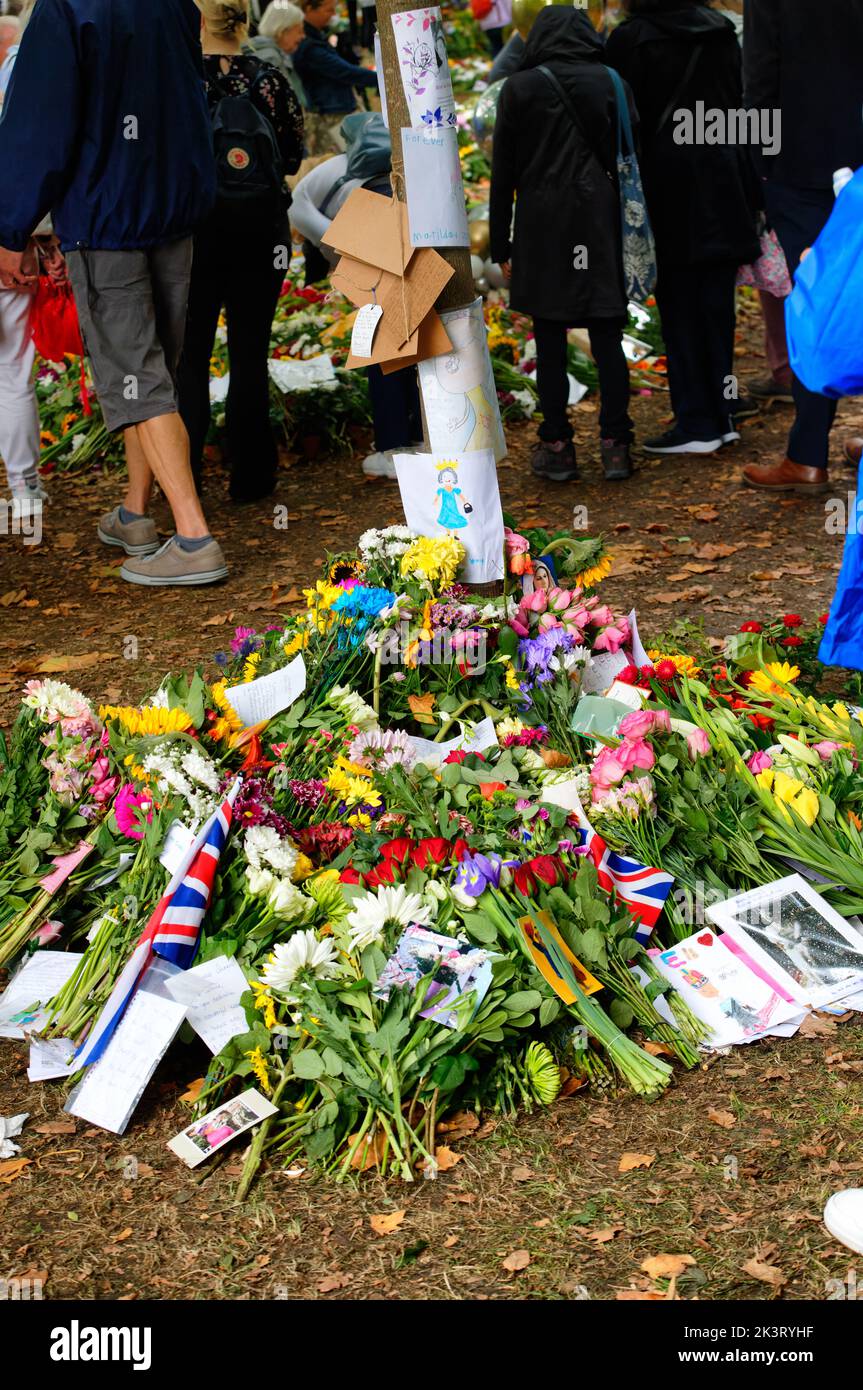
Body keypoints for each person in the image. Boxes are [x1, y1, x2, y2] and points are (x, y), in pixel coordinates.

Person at [0, 0, 228, 587]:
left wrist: (11, 227)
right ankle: (134, 513)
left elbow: (38, 125)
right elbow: (190, 102)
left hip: (106, 217)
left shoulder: (66, 9)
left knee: (140, 376)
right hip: (172, 209)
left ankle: (194, 537)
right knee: (156, 372)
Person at [489, 5, 637, 484]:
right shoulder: (612, 81)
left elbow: (503, 172)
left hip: (541, 224)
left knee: (549, 339)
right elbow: (634, 153)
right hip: (600, 222)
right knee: (607, 337)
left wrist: (500, 243)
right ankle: (616, 445)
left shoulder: (519, 87)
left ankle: (557, 445)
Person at [606, 0, 760, 456]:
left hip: (666, 181)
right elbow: (739, 101)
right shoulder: (718, 30)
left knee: (678, 306)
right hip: (722, 173)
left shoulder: (630, 40)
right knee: (717, 305)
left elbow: (623, 118)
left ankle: (696, 420)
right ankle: (724, 413)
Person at [177, 0, 303, 504]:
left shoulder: (181, 79)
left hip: (195, 234)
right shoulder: (269, 78)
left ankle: (185, 476)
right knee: (250, 354)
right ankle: (251, 473)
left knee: (191, 360)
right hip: (261, 233)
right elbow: (291, 152)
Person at [741, 0, 863, 495]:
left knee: (815, 298)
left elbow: (760, 84)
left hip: (801, 164)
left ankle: (807, 455)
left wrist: (758, 169)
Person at [289, 112, 422, 477]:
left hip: (365, 258)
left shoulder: (335, 166)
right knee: (412, 341)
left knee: (378, 348)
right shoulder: (403, 161)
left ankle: (393, 449)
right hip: (406, 246)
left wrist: (340, 242)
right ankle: (419, 436)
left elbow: (298, 208)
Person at [293, 0, 378, 156]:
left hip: (336, 108)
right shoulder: (309, 46)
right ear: (309, 9)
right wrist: (381, 78)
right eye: (328, 10)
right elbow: (344, 71)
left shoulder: (315, 37)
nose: (333, 14)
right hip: (331, 115)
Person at [245, 0, 307, 108]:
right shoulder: (270, 58)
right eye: (299, 31)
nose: (303, 36)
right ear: (282, 31)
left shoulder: (271, 52)